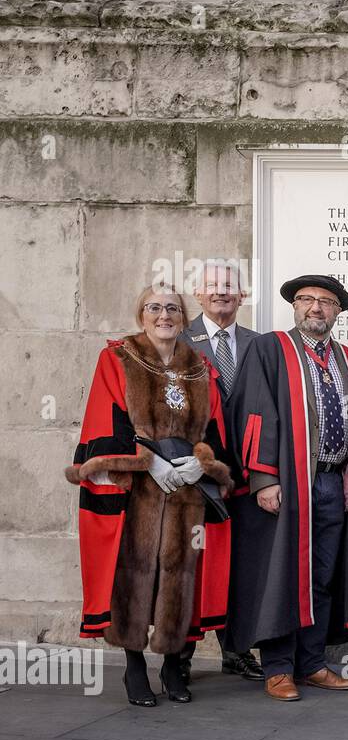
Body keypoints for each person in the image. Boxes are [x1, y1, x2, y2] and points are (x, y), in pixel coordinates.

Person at [66, 285, 234, 706]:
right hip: (137, 492)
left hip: (187, 493)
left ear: (183, 317)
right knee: (136, 574)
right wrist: (149, 463)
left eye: (173, 309)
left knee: (180, 575)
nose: (164, 315)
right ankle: (135, 667)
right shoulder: (118, 358)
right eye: (155, 307)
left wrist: (201, 462)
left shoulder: (199, 367)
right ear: (141, 313)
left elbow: (213, 428)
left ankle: (174, 665)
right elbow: (109, 420)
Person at [226, 274, 348, 702]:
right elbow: (254, 413)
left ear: (338, 311)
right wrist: (264, 478)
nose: (316, 308)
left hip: (334, 483)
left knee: (324, 576)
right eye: (307, 300)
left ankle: (311, 663)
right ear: (294, 306)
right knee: (284, 575)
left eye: (326, 302)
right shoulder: (271, 349)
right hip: (289, 486)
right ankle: (277, 668)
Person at [177, 259, 263, 683]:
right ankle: (183, 654)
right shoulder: (178, 340)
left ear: (242, 295)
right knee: (191, 566)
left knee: (242, 566)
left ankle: (238, 650)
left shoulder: (260, 344)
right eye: (211, 285)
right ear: (197, 294)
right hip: (194, 477)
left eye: (229, 285)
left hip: (244, 478)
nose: (221, 292)